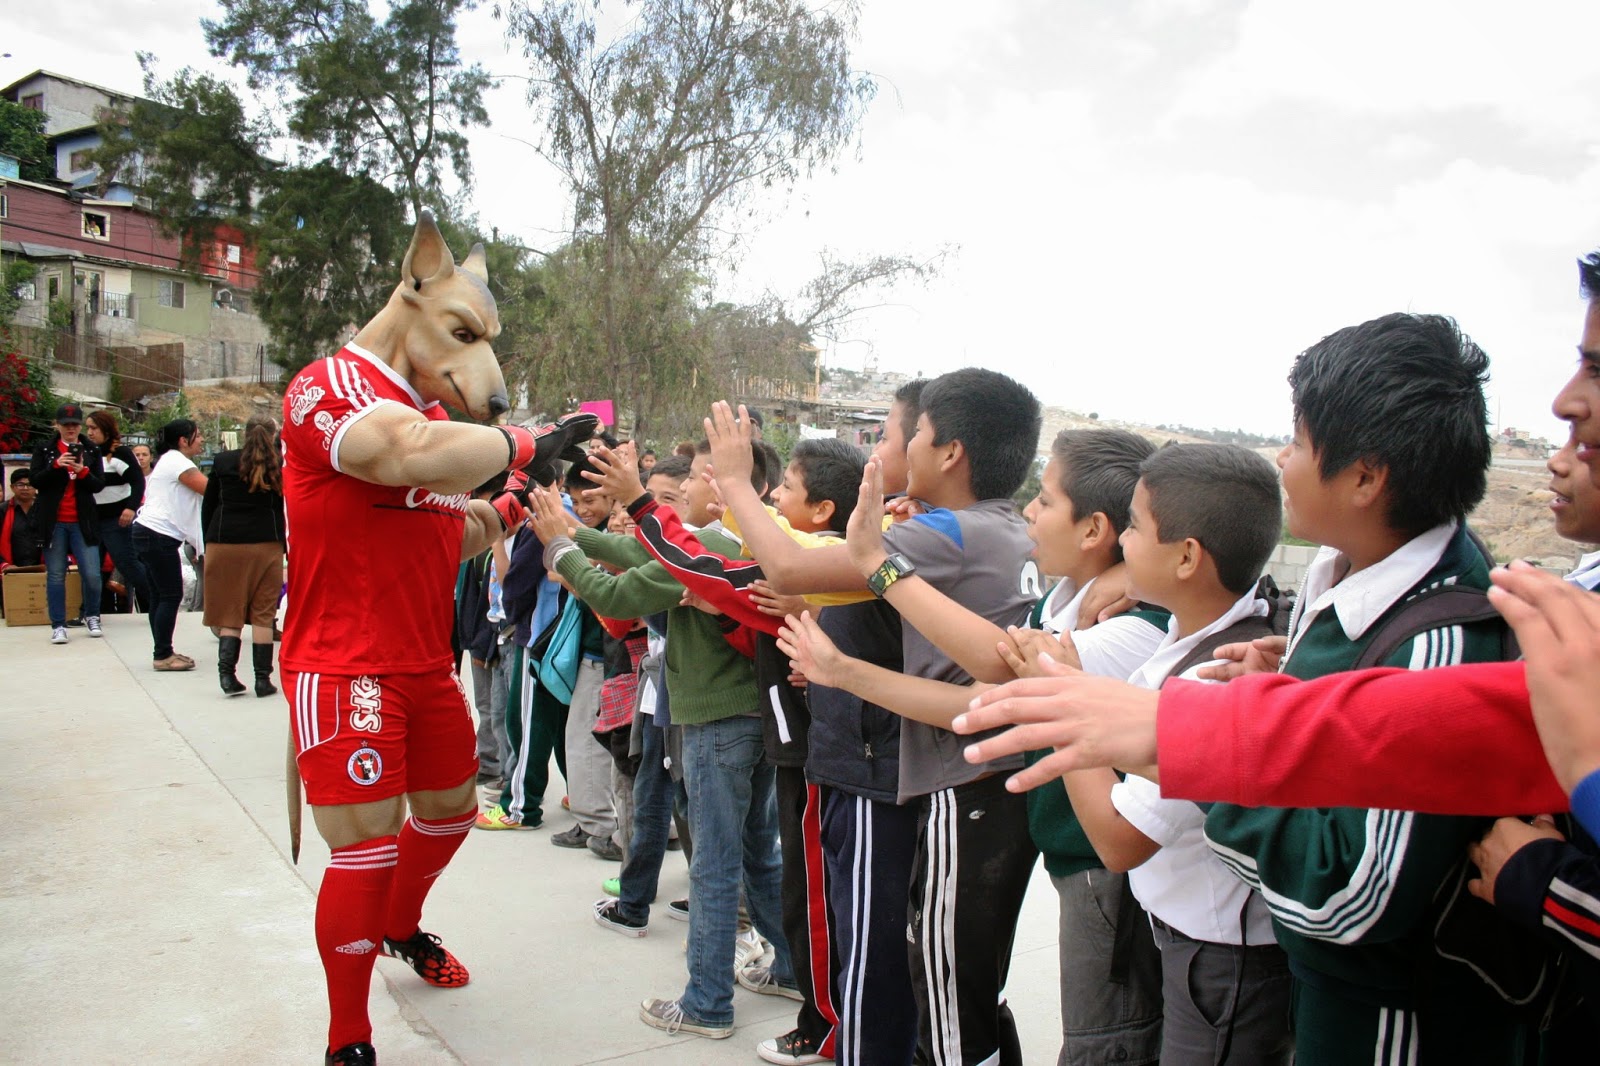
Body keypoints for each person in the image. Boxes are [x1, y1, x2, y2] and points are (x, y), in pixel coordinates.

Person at [721, 367, 1045, 1066]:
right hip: (967, 782)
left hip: (954, 786)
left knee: (932, 1000)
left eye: (910, 433)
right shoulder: (985, 529)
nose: (891, 448)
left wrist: (735, 483)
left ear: (950, 451)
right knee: (952, 991)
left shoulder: (949, 535)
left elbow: (784, 566)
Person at [532, 442, 791, 1041]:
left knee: (714, 863)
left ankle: (706, 1002)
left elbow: (619, 593)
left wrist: (562, 548)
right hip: (750, 721)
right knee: (758, 851)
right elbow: (634, 550)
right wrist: (572, 531)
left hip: (714, 723)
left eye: (688, 486)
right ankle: (789, 966)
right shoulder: (730, 543)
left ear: (723, 488)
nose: (684, 491)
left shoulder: (710, 547)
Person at [1057, 444, 1292, 1065]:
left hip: (1224, 959)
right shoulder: (1193, 637)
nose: (1123, 543)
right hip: (1190, 942)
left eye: (1134, 525)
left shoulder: (1216, 674)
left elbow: (1118, 838)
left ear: (1187, 556)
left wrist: (1061, 705)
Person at [201, 413, 286, 697]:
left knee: (229, 610)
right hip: (267, 543)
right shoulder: (280, 463)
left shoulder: (224, 461)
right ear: (273, 434)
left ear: (244, 433)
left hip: (225, 541)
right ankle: (263, 680)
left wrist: (208, 540)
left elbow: (209, 504)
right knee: (264, 614)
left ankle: (228, 677)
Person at [133, 419, 207, 670]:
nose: (202, 440)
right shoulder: (177, 461)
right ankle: (163, 655)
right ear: (183, 441)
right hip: (157, 536)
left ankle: (163, 650)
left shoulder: (170, 460)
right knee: (170, 595)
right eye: (198, 435)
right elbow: (209, 490)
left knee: (159, 595)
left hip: (149, 533)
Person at [30, 403, 106, 644]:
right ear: (57, 425)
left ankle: (92, 615)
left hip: (83, 521)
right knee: (55, 575)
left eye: (74, 425)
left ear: (80, 426)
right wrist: (56, 466)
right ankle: (58, 624)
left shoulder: (92, 449)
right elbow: (35, 481)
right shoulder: (45, 448)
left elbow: (98, 485)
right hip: (54, 522)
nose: (70, 429)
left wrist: (82, 471)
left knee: (92, 574)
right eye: (65, 425)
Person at [85, 409, 151, 613]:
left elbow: (138, 482)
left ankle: (156, 600)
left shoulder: (120, 454)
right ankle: (88, 610)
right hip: (93, 520)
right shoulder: (88, 453)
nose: (89, 432)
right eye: (87, 428)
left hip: (116, 520)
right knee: (92, 568)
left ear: (105, 429)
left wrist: (130, 508)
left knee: (127, 564)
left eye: (93, 428)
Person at [1, 468, 44, 573]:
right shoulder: (3, 510)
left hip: (43, 569)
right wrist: (4, 565)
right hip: (10, 570)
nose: (25, 488)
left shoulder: (46, 509)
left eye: (29, 484)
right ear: (12, 487)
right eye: (20, 485)